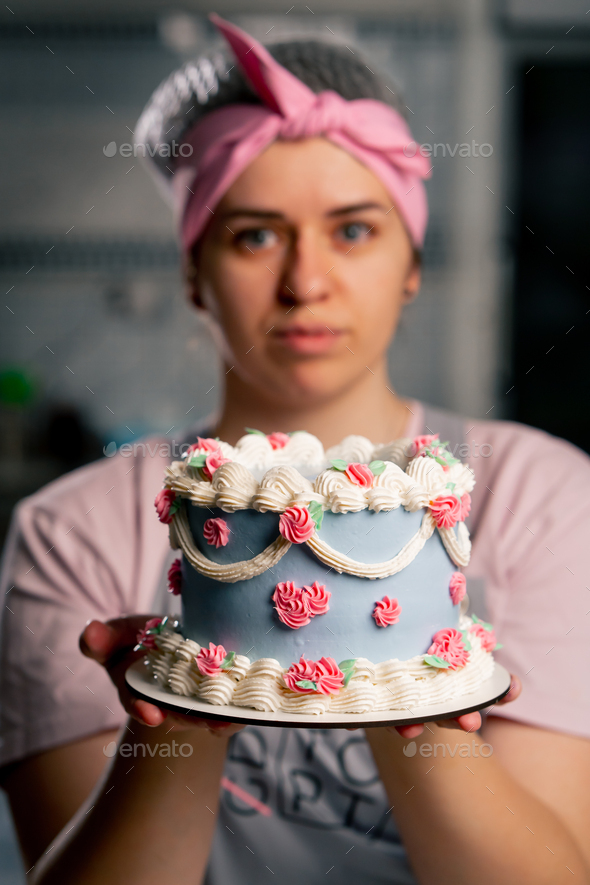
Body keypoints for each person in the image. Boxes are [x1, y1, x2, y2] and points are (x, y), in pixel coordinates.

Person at [1, 15, 589, 885]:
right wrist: (181, 704)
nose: (306, 281)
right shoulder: (68, 530)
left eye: (353, 230)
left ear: (411, 261)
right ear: (194, 271)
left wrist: (409, 685)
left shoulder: (542, 493)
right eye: (255, 234)